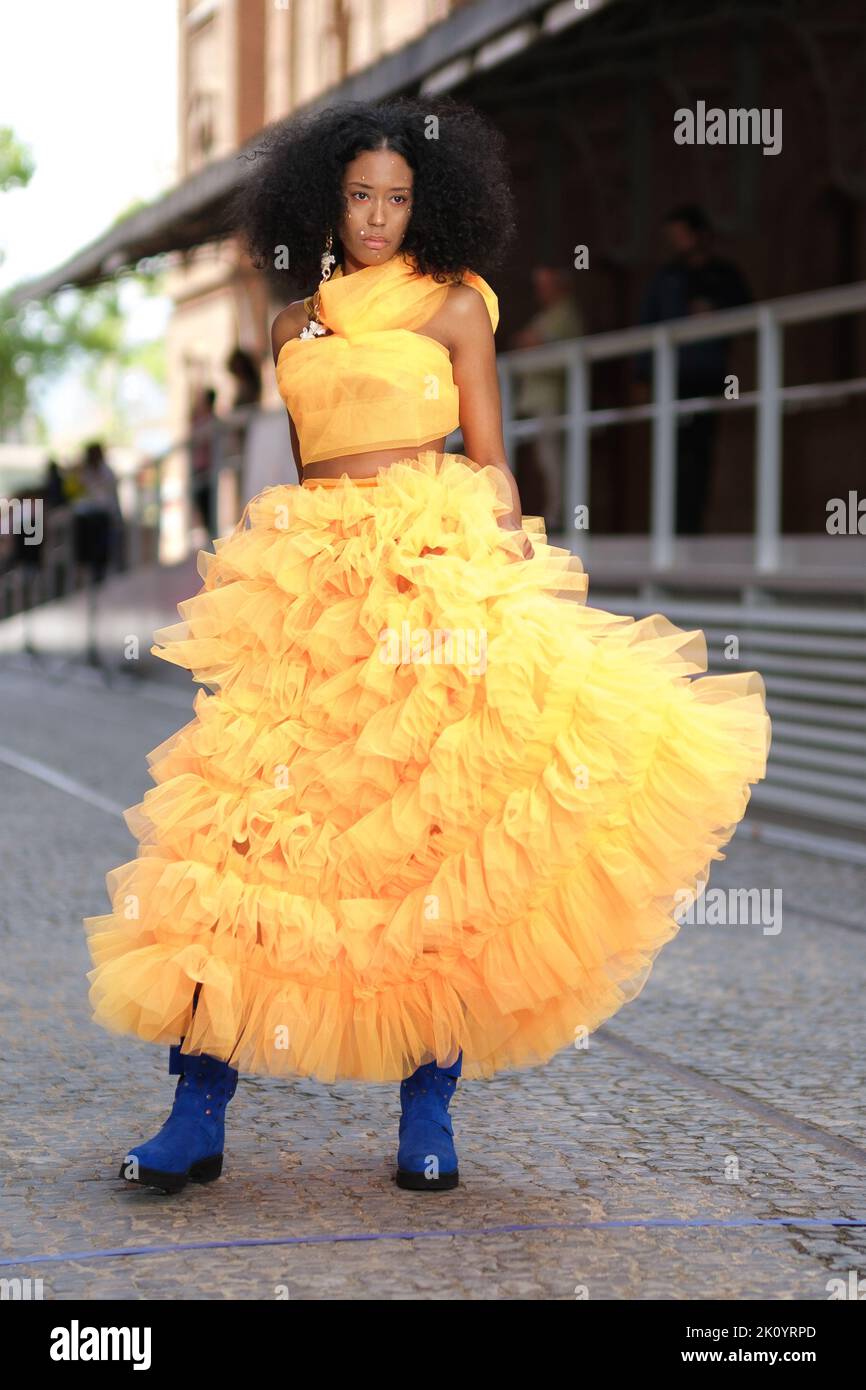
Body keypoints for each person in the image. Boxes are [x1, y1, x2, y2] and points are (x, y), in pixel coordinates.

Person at [83, 100, 771, 1197]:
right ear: (323, 198)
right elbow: (312, 469)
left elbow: (489, 459)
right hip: (310, 597)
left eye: (397, 198)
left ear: (428, 204)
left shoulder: (456, 309)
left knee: (434, 848)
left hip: (432, 579)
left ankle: (426, 1111)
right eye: (358, 195)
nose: (375, 215)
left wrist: (505, 586)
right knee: (240, 842)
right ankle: (194, 1110)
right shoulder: (288, 326)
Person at [635, 204, 752, 534]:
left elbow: (748, 313)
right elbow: (647, 327)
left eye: (681, 235)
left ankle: (691, 528)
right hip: (670, 380)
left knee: (699, 454)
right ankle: (669, 528)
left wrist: (716, 312)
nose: (676, 242)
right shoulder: (666, 277)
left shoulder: (725, 275)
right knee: (669, 455)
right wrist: (642, 377)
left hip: (709, 376)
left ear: (700, 235)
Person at [510, 266, 584, 531]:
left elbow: (534, 343)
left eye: (546, 284)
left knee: (553, 461)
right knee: (542, 462)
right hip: (535, 400)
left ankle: (560, 516)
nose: (541, 290)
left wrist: (530, 341)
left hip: (554, 400)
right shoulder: (548, 315)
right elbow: (523, 342)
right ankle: (550, 514)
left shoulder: (566, 313)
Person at [71, 441, 122, 585]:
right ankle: (85, 568)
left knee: (101, 545)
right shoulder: (82, 472)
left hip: (102, 516)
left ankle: (98, 570)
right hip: (85, 516)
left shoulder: (107, 472)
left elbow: (112, 497)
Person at [189, 386, 217, 537]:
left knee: (208, 504)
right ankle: (209, 533)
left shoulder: (211, 421)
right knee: (201, 503)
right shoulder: (199, 419)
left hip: (207, 467)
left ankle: (211, 534)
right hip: (199, 467)